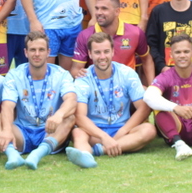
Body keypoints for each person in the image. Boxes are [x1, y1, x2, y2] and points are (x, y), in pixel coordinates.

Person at [65, 32, 156, 168]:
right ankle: (86, 156)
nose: (102, 57)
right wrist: (103, 137)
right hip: (94, 132)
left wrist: (123, 131)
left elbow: (143, 108)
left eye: (106, 51)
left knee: (149, 130)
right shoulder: (83, 78)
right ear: (90, 54)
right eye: (97, 52)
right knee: (77, 132)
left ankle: (99, 151)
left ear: (113, 52)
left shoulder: (127, 73)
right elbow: (79, 116)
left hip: (122, 129)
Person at [0, 31, 77, 170]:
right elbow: (8, 106)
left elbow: (71, 99)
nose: (37, 54)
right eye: (32, 50)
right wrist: (7, 130)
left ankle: (38, 154)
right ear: (26, 52)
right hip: (22, 131)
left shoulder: (61, 74)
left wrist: (59, 115)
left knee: (69, 118)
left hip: (50, 131)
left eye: (41, 50)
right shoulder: (14, 75)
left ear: (48, 52)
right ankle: (13, 155)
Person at [71, 0, 154, 85]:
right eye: (97, 8)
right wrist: (81, 75)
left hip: (127, 87)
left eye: (104, 9)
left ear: (117, 11)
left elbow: (147, 60)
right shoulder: (85, 35)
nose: (98, 13)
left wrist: (152, 87)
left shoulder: (136, 33)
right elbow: (76, 69)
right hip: (98, 87)